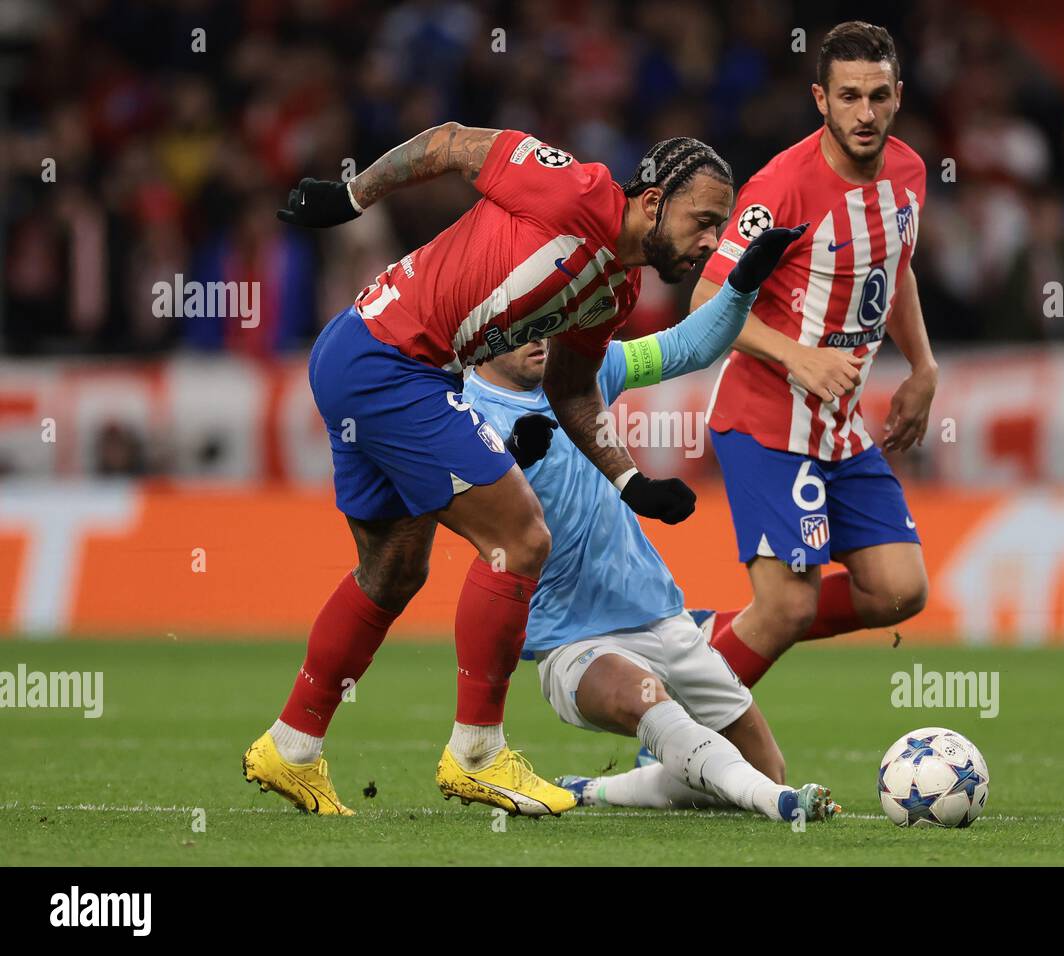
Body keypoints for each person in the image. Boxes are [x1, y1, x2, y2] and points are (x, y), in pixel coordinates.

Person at [243, 126, 736, 816]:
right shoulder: (573, 188)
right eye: (704, 221)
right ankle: (477, 753)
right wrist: (353, 197)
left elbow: (570, 392)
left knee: (393, 569)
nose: (712, 242)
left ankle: (291, 745)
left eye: (722, 228)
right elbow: (449, 143)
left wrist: (631, 480)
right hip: (389, 364)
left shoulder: (613, 295)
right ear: (652, 202)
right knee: (522, 538)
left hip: (375, 362)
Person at [463, 223, 839, 822]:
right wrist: (504, 456)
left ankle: (598, 790)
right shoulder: (460, 414)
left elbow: (689, 345)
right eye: (525, 321)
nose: (542, 335)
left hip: (664, 619)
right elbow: (467, 517)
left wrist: (742, 283)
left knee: (763, 764)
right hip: (573, 640)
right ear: (486, 326)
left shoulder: (580, 375)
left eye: (549, 318)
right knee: (653, 706)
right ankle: (782, 806)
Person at [687, 22, 937, 690]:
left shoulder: (910, 173)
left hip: (839, 423)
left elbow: (897, 266)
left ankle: (713, 638)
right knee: (789, 605)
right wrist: (799, 357)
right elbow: (706, 301)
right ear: (820, 99)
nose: (865, 112)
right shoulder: (781, 190)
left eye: (879, 96)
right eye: (849, 96)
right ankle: (675, 729)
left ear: (899, 95)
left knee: (899, 591)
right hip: (766, 417)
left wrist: (923, 365)